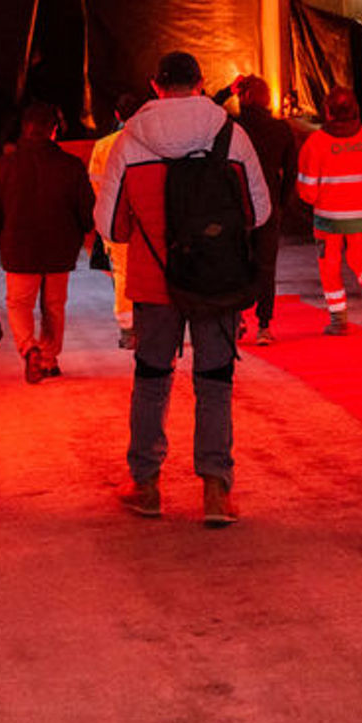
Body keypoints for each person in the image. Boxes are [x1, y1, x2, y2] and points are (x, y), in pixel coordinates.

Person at [94, 51, 270, 526]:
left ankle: (145, 484)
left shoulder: (129, 141)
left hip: (154, 283)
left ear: (156, 86)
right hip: (216, 280)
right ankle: (216, 489)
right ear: (199, 83)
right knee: (215, 382)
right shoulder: (231, 135)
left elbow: (110, 226)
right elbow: (260, 212)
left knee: (151, 379)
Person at [0, 101, 96, 383]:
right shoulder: (71, 166)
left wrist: (2, 234)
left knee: (19, 304)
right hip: (60, 248)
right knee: (54, 305)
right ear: (54, 130)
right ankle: (48, 359)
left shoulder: (4, 166)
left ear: (24, 130)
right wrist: (83, 230)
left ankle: (28, 347)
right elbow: (87, 209)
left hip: (19, 247)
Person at [296, 86, 362, 335]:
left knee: (329, 268)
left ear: (327, 112)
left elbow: (307, 191)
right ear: (356, 110)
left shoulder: (315, 143)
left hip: (327, 220)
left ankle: (338, 319)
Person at [232, 75, 299, 344]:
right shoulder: (280, 129)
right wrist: (283, 203)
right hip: (269, 203)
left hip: (237, 204)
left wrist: (226, 90)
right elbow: (291, 170)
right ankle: (264, 324)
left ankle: (236, 319)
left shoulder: (233, 127)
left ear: (244, 97)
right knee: (266, 265)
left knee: (235, 262)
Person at [88, 93, 143, 349]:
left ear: (118, 116)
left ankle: (128, 329)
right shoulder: (153, 141)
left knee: (122, 275)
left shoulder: (103, 146)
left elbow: (96, 186)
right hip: (149, 219)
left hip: (115, 222)